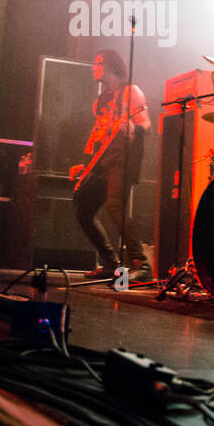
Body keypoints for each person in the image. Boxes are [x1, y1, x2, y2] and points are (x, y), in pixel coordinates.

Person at [70, 49, 152, 282]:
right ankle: (111, 264)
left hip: (122, 161)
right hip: (102, 163)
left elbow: (146, 124)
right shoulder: (100, 101)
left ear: (111, 66)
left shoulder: (131, 92)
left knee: (115, 207)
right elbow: (97, 138)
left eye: (98, 63)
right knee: (84, 209)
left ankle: (141, 264)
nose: (93, 68)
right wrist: (84, 166)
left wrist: (133, 129)